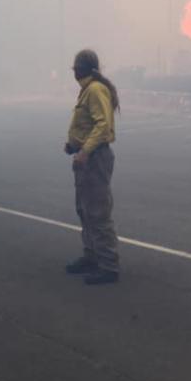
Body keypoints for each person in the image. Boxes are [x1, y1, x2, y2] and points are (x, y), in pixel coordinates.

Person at [63, 49, 122, 284]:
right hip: (85, 156)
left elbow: (102, 126)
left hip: (95, 158)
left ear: (83, 68)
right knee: (85, 210)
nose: (74, 72)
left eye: (76, 67)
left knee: (98, 213)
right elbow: (88, 125)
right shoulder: (87, 89)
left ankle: (108, 265)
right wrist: (73, 145)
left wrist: (85, 151)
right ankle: (92, 256)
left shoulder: (95, 90)